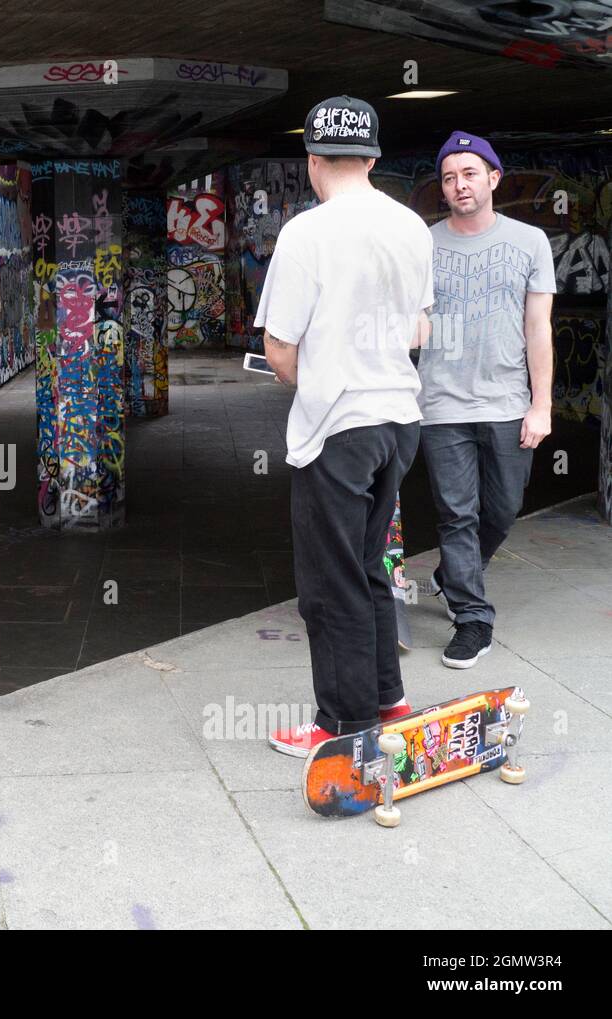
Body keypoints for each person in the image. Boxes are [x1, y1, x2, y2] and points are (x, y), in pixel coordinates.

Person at [257, 96, 434, 756]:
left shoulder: (307, 234)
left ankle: (342, 724)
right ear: (373, 156)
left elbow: (279, 351)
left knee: (329, 583)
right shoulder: (413, 226)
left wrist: (329, 369)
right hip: (399, 424)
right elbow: (420, 326)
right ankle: (387, 697)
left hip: (339, 426)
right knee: (368, 566)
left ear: (312, 160)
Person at [418, 131, 555, 668]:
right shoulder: (423, 243)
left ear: (494, 178)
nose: (459, 185)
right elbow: (413, 323)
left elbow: (538, 327)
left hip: (506, 402)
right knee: (457, 514)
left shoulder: (530, 241)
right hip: (442, 404)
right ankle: (472, 618)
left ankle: (452, 573)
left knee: (503, 508)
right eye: (449, 177)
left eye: (470, 174)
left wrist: (540, 404)